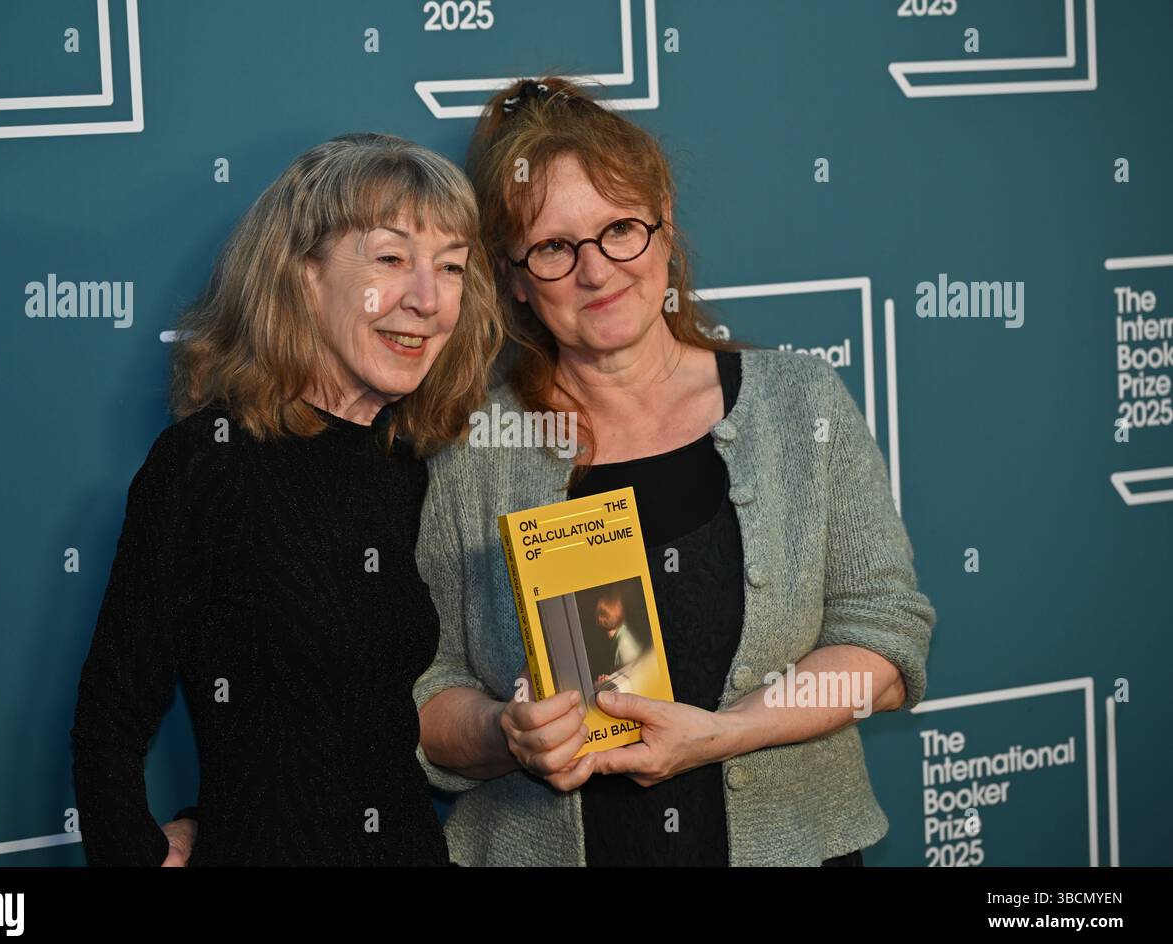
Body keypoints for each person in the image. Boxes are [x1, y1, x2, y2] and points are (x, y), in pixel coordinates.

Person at [414, 78, 937, 866]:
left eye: (620, 229)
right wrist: (504, 733)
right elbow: (427, 687)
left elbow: (883, 643)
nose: (596, 272)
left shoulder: (799, 403)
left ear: (663, 226)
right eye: (554, 248)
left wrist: (723, 735)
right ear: (513, 275)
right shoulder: (469, 447)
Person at [70, 132, 503, 865]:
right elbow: (108, 721)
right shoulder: (208, 464)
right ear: (304, 273)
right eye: (390, 259)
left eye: (451, 267)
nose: (427, 300)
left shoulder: (403, 469)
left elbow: (341, 729)